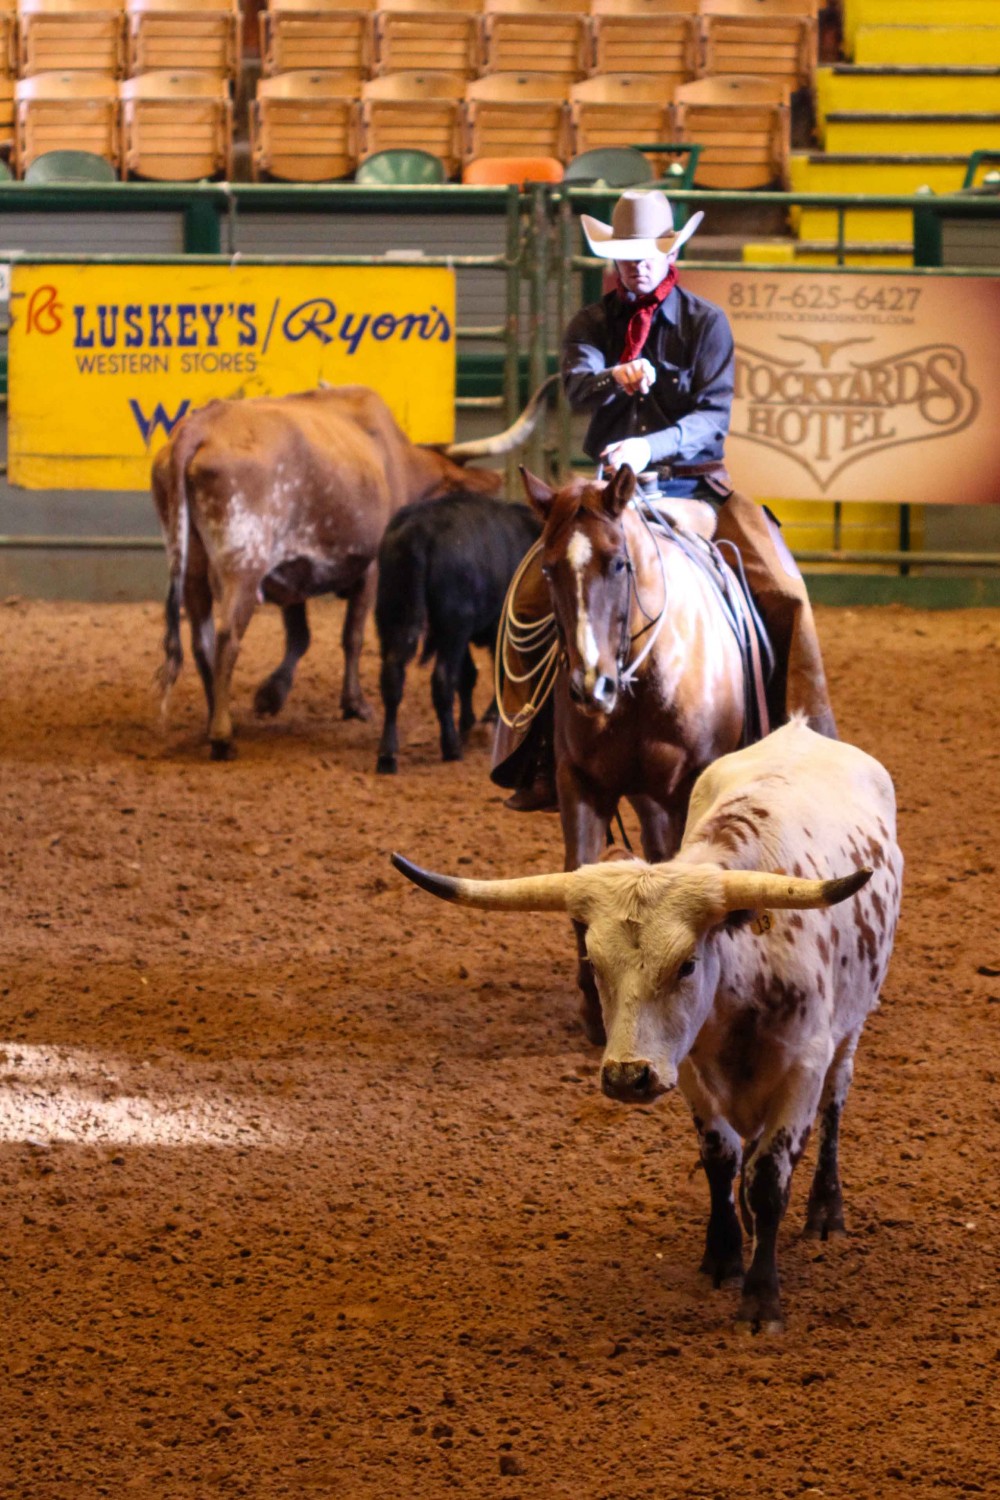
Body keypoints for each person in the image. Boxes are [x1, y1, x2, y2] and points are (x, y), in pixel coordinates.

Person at [492, 188, 837, 811]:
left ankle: (803, 745)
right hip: (608, 496)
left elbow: (712, 417)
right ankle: (539, 754)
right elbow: (577, 386)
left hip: (694, 486)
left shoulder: (706, 324)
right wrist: (613, 376)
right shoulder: (592, 324)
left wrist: (648, 447)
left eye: (648, 253)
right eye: (626, 256)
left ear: (670, 253)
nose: (637, 265)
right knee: (534, 594)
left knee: (784, 590)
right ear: (614, 260)